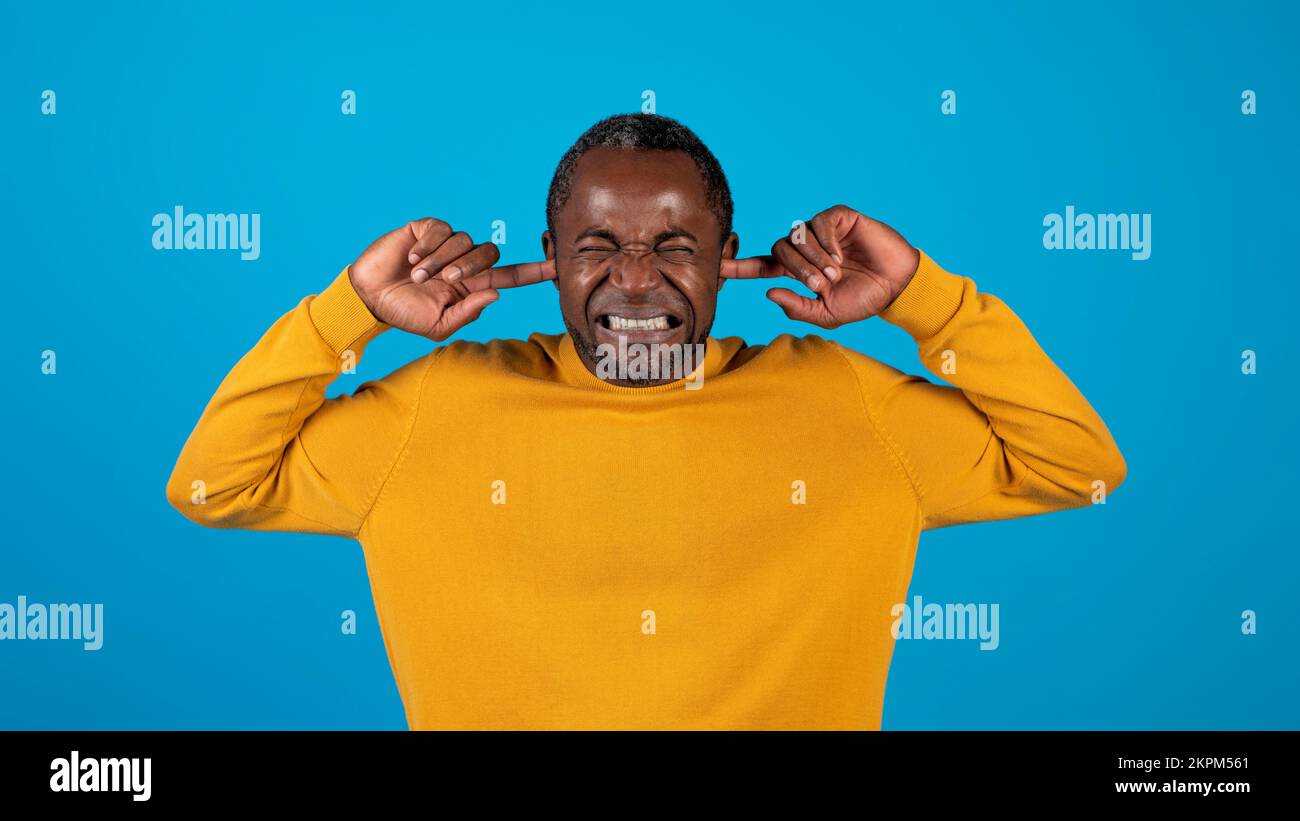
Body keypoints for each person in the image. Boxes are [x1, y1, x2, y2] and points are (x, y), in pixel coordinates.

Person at [167, 113, 1125, 729]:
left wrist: (926, 298)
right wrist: (350, 313)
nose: (633, 280)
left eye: (674, 245)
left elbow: (1077, 460)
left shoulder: (842, 401)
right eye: (597, 248)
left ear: (729, 260)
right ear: (548, 257)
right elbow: (215, 483)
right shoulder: (436, 406)